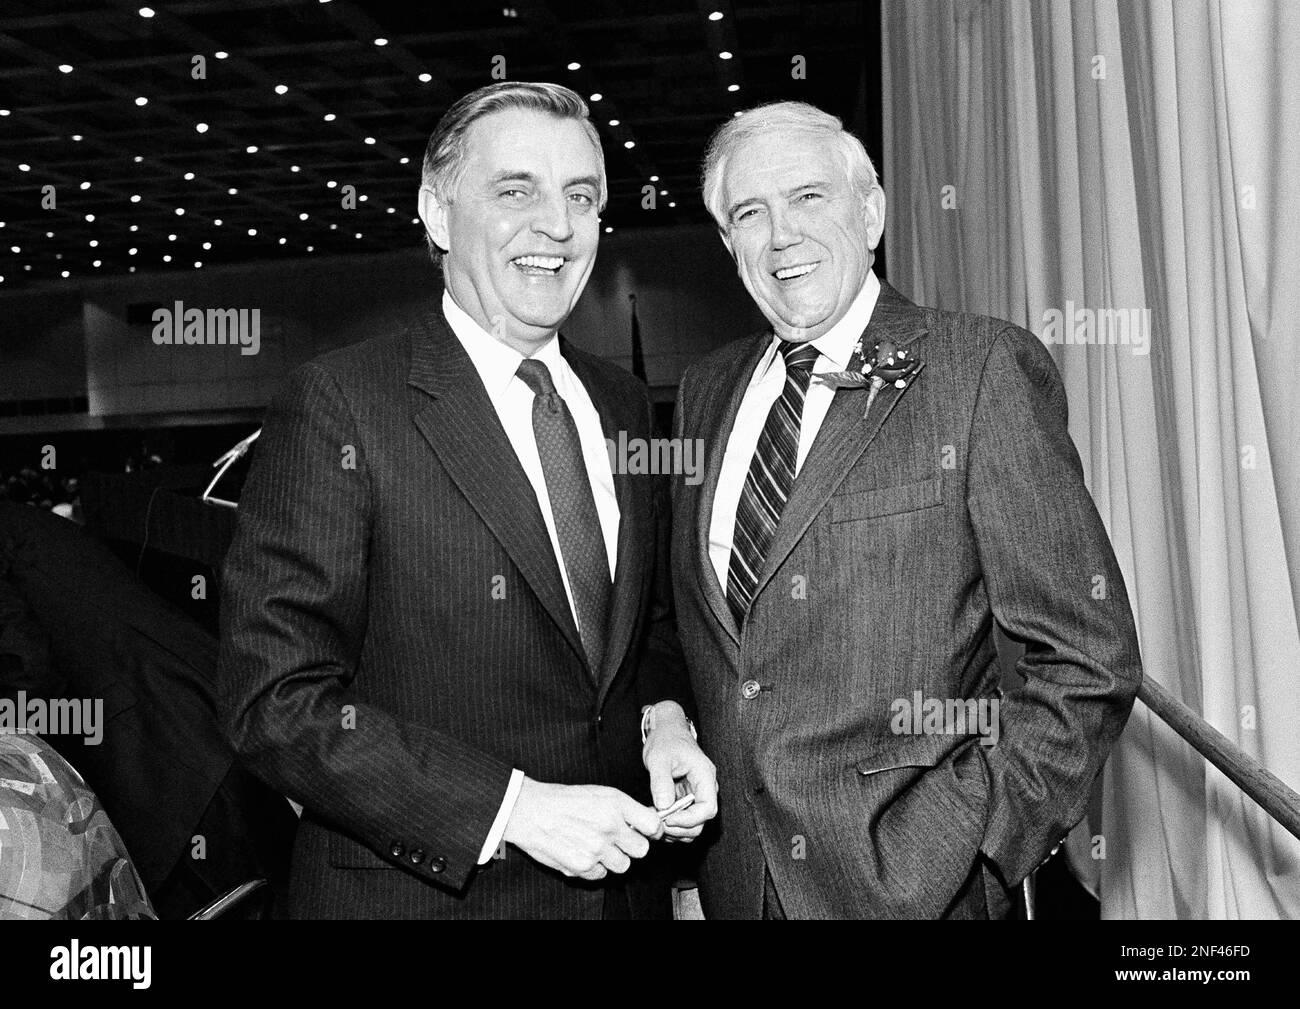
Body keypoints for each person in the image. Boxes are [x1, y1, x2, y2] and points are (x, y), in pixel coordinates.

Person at [218, 81, 716, 920]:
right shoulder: (342, 403)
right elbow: (273, 701)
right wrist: (513, 807)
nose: (555, 225)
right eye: (515, 190)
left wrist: (664, 722)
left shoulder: (624, 404)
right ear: (438, 215)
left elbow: (649, 629)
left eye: (581, 196)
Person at [670, 101, 1142, 919]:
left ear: (872, 212)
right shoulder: (705, 391)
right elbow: (705, 639)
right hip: (736, 888)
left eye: (809, 196)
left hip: (919, 889)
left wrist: (974, 847)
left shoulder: (978, 370)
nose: (782, 235)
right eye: (751, 212)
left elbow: (1087, 656)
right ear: (728, 242)